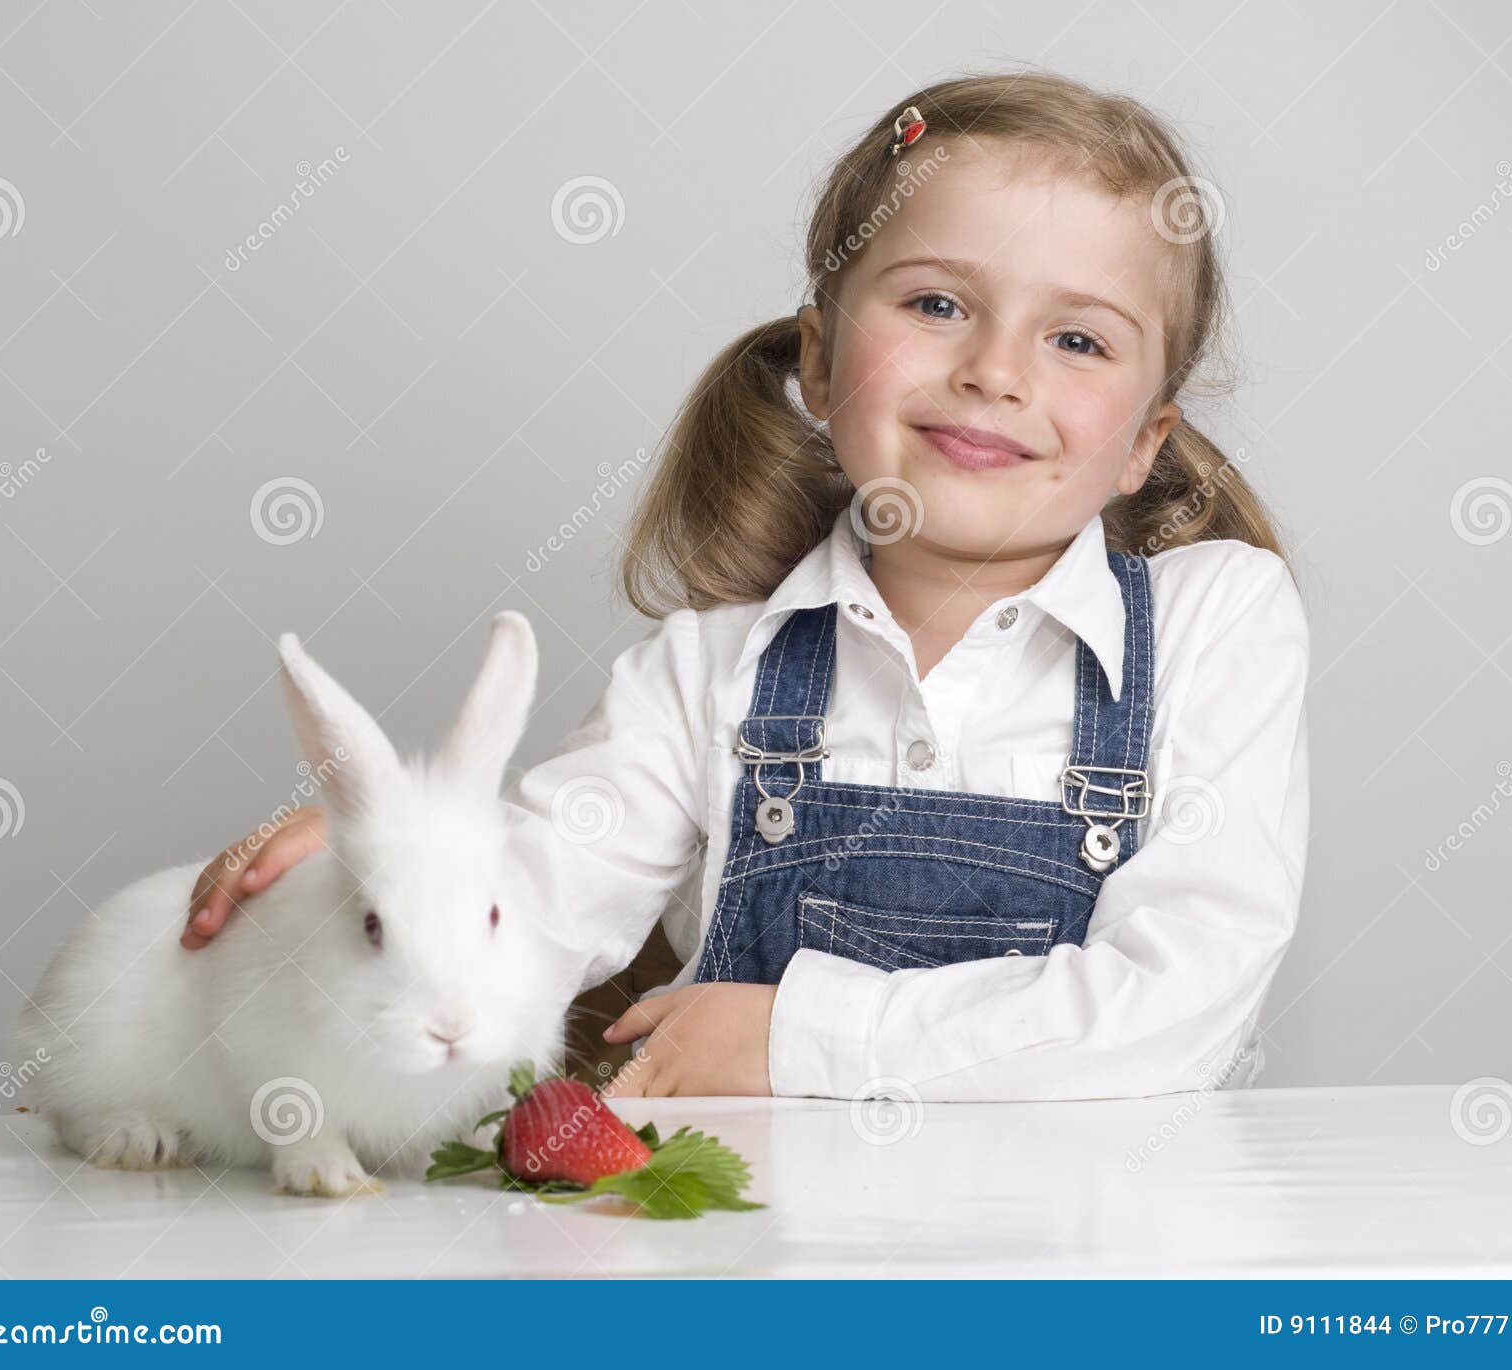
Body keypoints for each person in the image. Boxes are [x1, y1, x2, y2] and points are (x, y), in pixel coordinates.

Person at [182, 70, 1310, 1104]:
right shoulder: (707, 671)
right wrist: (396, 869)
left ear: (1142, 442)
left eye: (1076, 337)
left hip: (1091, 1286)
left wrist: (796, 1038)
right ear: (817, 361)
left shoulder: (1219, 621)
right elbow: (522, 906)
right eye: (935, 305)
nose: (996, 371)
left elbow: (1180, 1006)